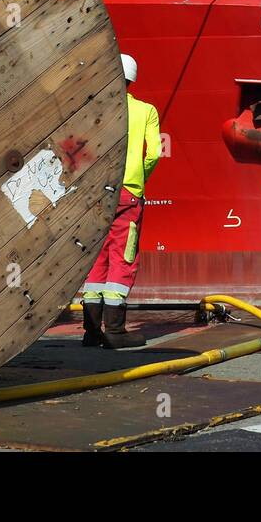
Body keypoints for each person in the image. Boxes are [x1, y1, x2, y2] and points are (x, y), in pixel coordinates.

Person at [81, 53, 161, 348]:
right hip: (127, 194)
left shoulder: (93, 110)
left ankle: (90, 332)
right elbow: (153, 152)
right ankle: (114, 331)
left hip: (96, 195)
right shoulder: (145, 111)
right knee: (122, 257)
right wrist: (139, 178)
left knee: (95, 258)